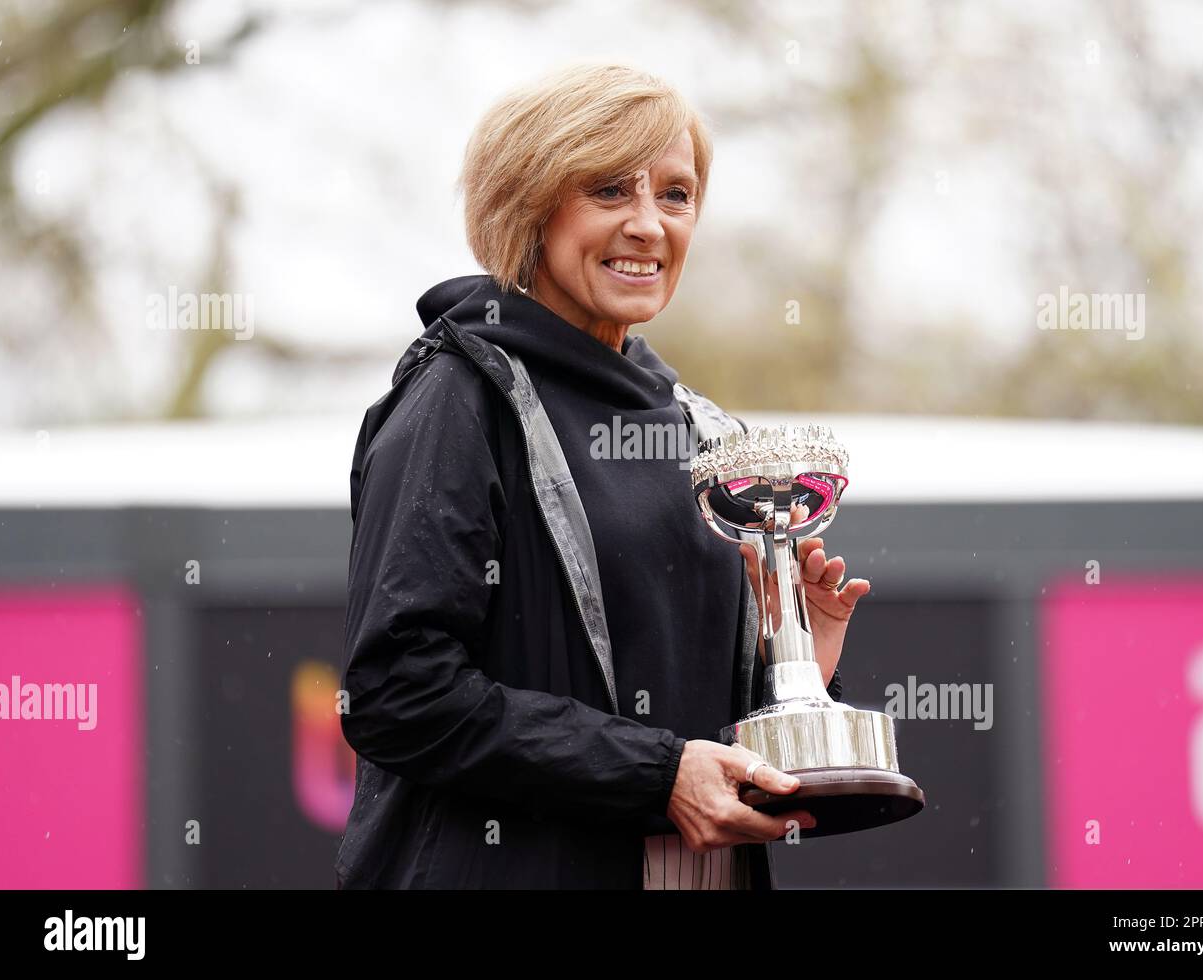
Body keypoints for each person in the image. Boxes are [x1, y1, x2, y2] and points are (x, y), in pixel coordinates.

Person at [334, 62, 871, 889]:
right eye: (611, 191)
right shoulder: (457, 401)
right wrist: (656, 775)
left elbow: (698, 739)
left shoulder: (703, 429)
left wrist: (795, 667)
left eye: (676, 194)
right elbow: (398, 693)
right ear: (530, 206)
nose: (650, 225)